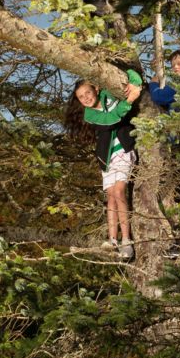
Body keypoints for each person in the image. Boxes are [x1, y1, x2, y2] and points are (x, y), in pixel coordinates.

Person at [63, 70, 142, 259]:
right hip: (106, 156)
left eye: (88, 93)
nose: (86, 98)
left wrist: (134, 84)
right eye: (81, 97)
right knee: (111, 196)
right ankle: (113, 240)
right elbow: (112, 119)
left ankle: (126, 240)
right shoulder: (90, 115)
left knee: (119, 191)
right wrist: (129, 101)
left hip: (123, 150)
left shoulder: (109, 93)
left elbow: (131, 73)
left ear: (96, 89)